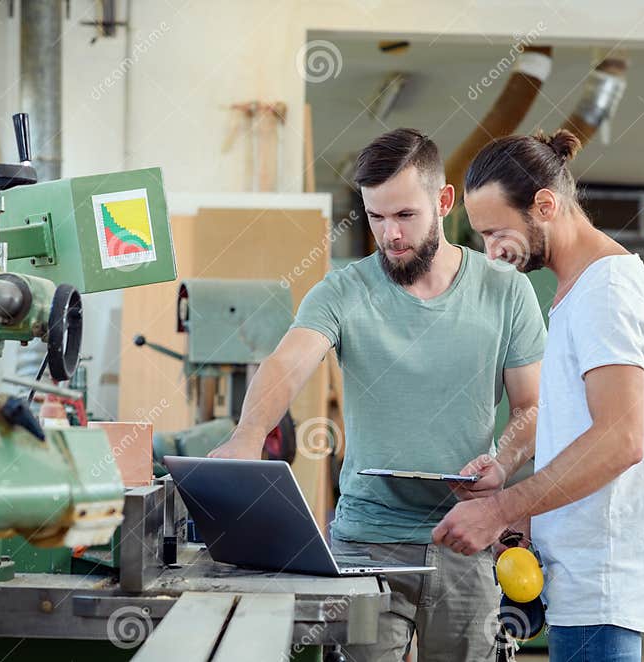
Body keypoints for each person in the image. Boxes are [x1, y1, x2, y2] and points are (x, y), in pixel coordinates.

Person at [209, 128, 546, 661]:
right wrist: (248, 436)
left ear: (443, 201)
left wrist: (503, 462)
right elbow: (290, 361)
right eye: (375, 217)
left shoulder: (505, 289)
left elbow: (530, 406)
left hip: (464, 536)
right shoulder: (343, 290)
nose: (389, 234)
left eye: (405, 216)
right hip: (365, 542)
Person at [431, 129, 644, 662]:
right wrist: (525, 511)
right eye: (481, 236)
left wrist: (501, 509)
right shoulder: (578, 291)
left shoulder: (606, 293)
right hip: (577, 576)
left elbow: (620, 440)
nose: (492, 252)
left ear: (545, 205)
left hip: (600, 582)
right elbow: (580, 429)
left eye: (497, 231)